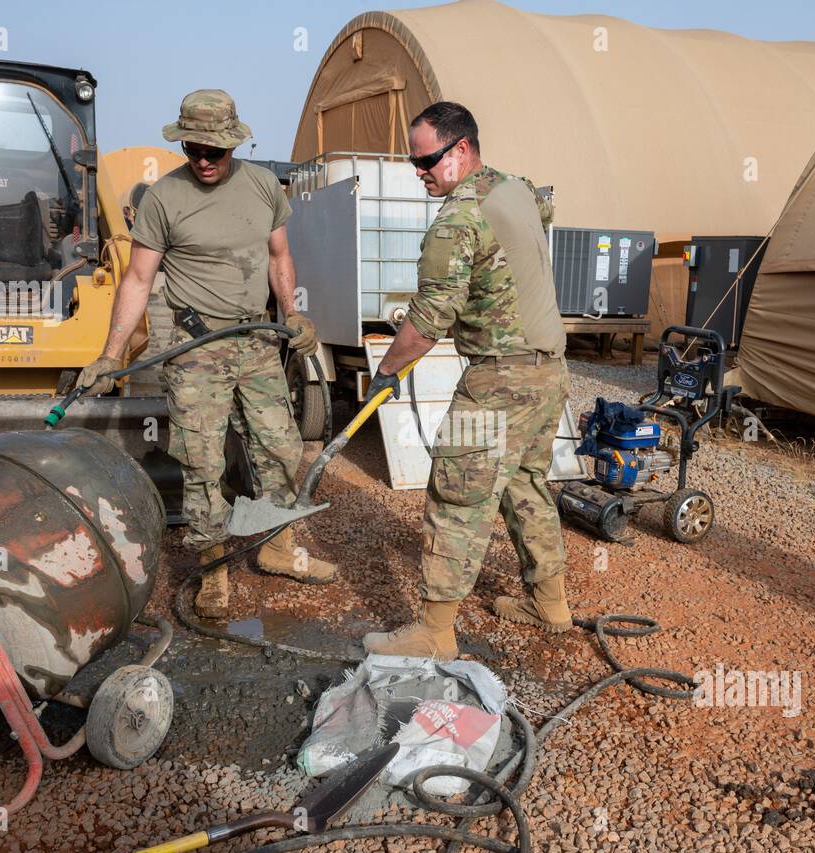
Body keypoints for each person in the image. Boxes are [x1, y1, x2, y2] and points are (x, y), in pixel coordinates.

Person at [76, 90, 335, 618]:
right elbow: (138, 279)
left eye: (214, 151)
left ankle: (278, 547)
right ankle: (212, 569)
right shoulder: (164, 198)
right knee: (201, 463)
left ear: (233, 145)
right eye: (194, 149)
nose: (203, 161)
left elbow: (279, 256)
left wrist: (293, 315)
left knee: (282, 451)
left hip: (259, 342)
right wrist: (109, 353)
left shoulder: (264, 187)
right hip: (197, 351)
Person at [363, 101, 572, 661]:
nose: (419, 171)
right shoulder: (519, 189)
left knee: (458, 495)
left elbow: (429, 320)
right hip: (549, 371)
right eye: (413, 161)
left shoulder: (455, 220)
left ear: (461, 150)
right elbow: (540, 216)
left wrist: (385, 372)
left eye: (427, 160)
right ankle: (549, 603)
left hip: (499, 382)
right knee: (526, 483)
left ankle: (434, 632)